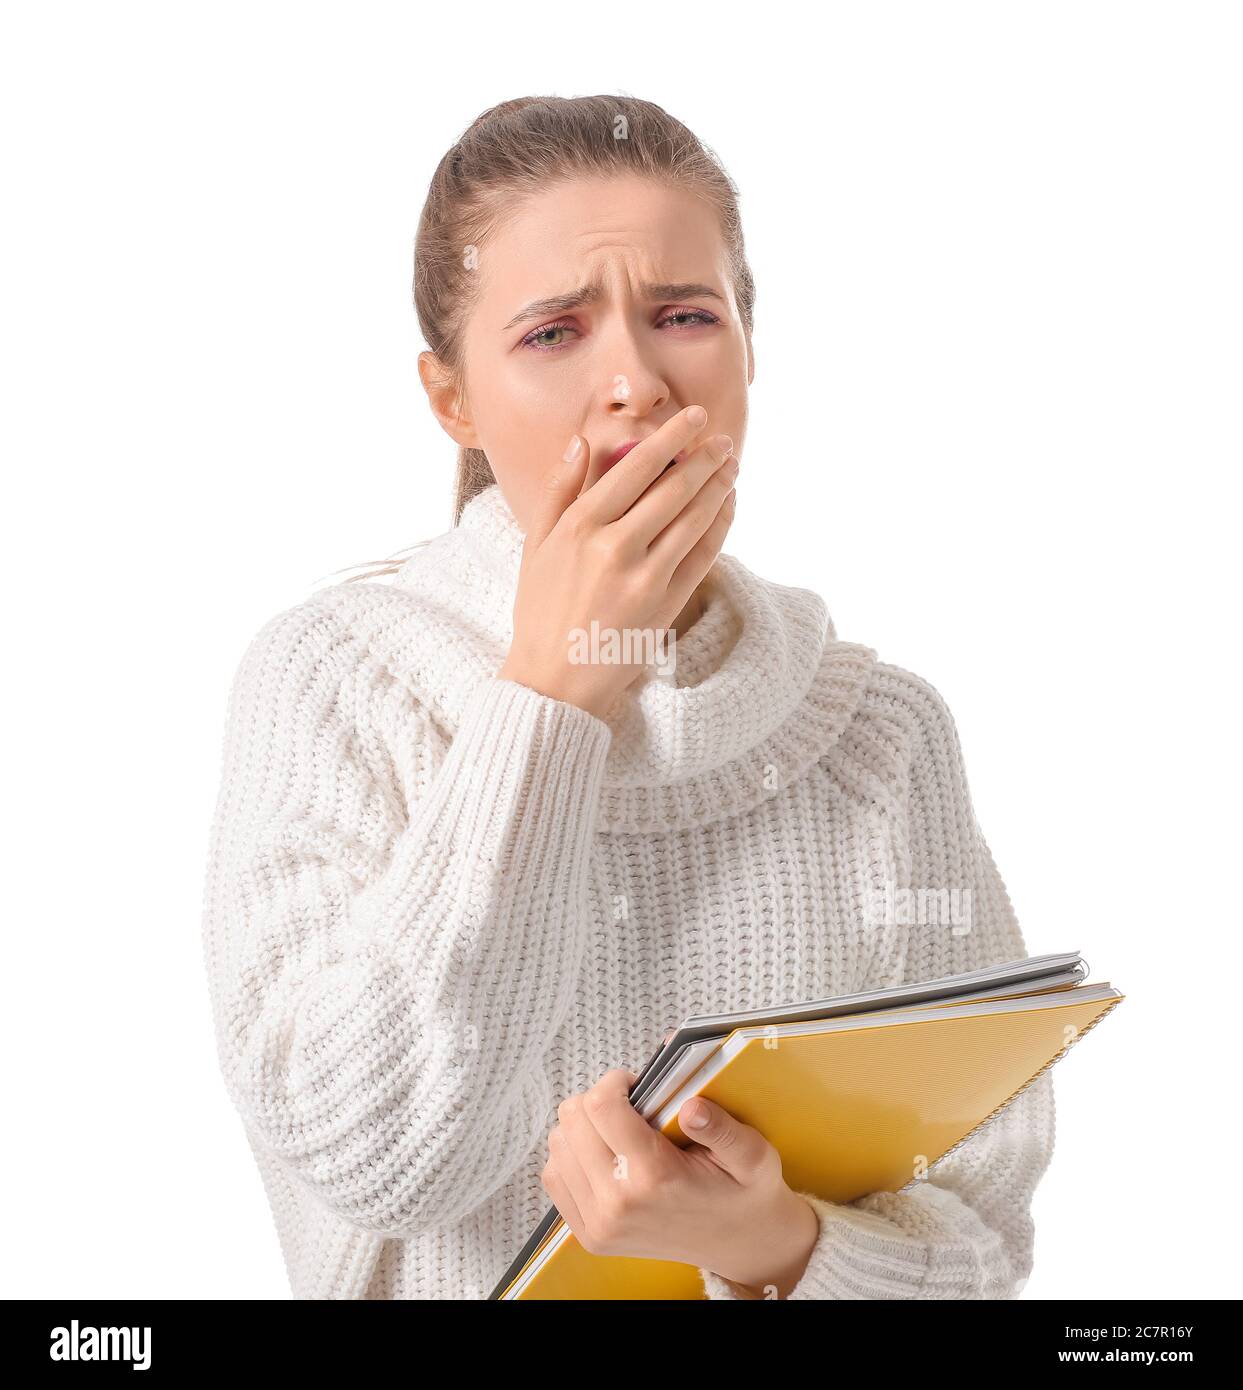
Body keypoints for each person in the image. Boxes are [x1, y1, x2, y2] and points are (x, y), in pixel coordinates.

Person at [200, 94, 1055, 1300]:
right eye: (553, 332)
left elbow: (984, 1245)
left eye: (685, 316)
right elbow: (372, 1153)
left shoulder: (878, 736)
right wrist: (553, 700)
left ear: (749, 351)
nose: (636, 384)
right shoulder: (335, 683)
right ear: (452, 400)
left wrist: (772, 1245)